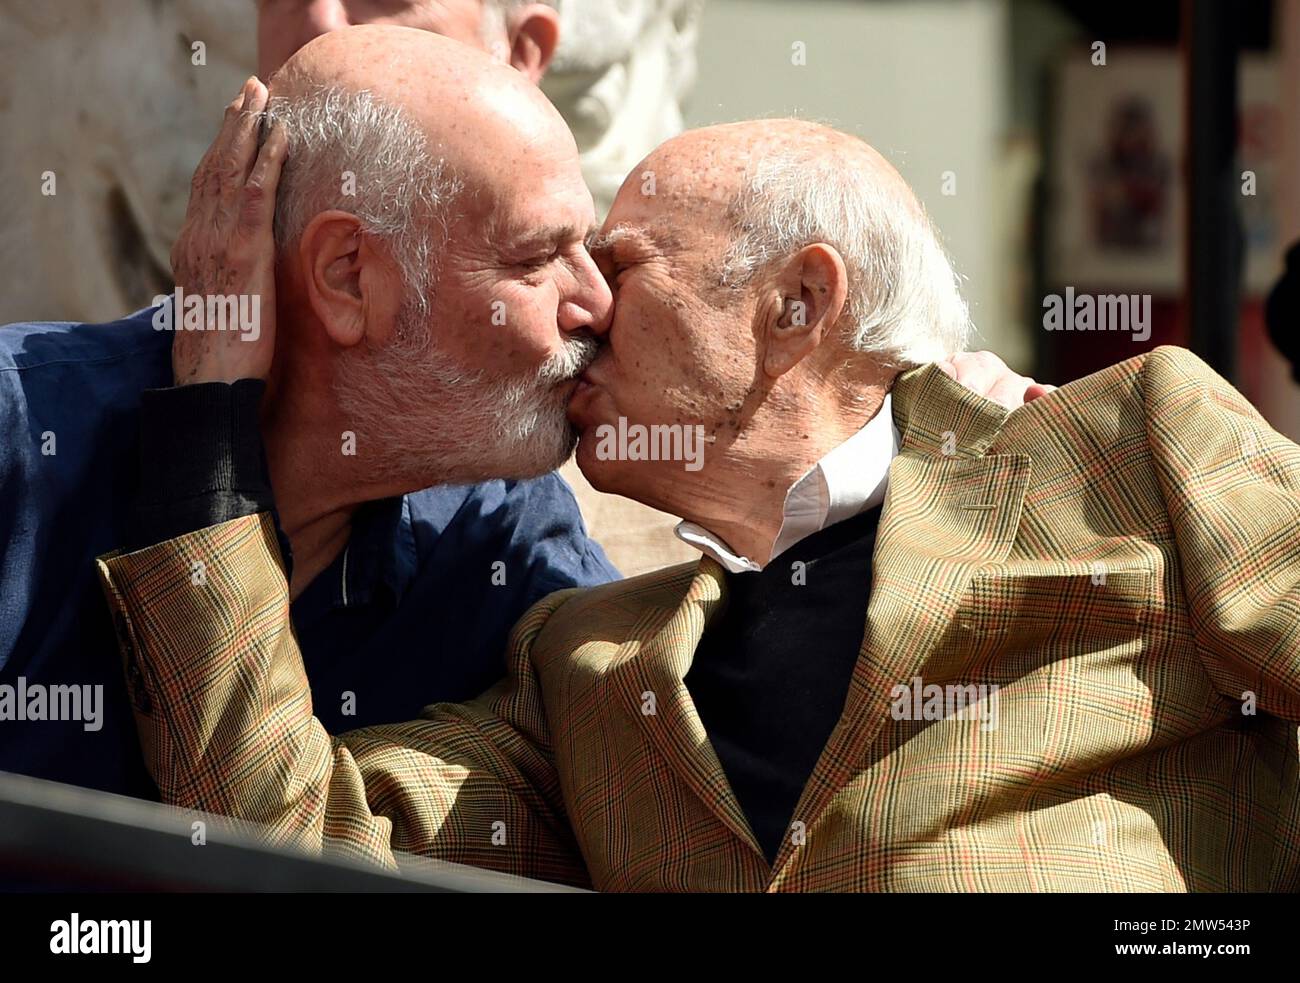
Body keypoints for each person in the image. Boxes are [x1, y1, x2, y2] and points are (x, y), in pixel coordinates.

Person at [99, 103, 1299, 892]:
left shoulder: (1123, 455)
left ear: (797, 301)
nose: (575, 306)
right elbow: (277, 846)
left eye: (616, 262)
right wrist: (210, 422)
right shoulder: (580, 664)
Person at [0, 27, 613, 800]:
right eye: (536, 258)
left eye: (589, 248)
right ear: (348, 276)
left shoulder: (497, 529)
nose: (597, 303)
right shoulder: (23, 436)